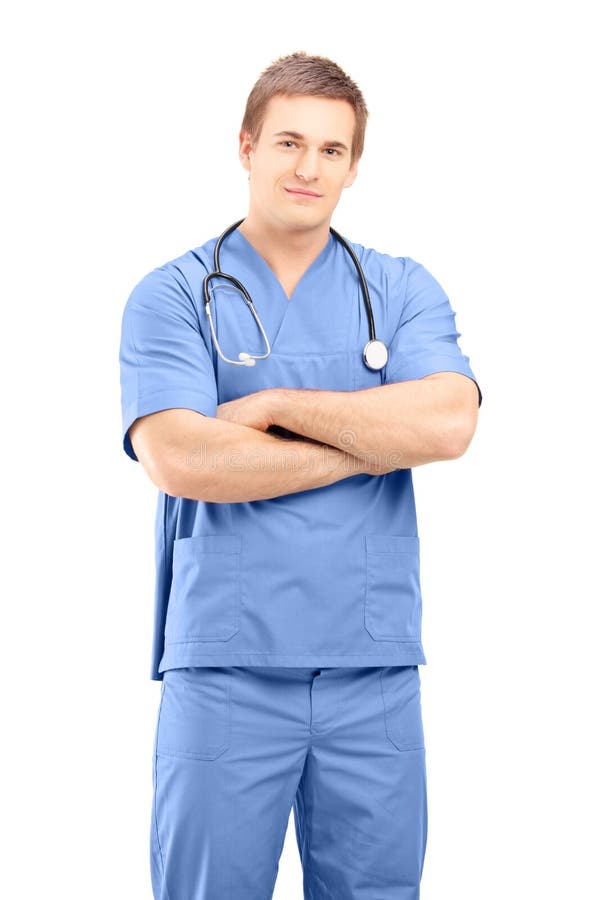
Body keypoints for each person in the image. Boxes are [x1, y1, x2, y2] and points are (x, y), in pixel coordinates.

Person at [119, 50, 482, 900]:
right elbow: (183, 458)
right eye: (288, 142)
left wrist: (273, 402)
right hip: (225, 673)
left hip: (375, 677)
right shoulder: (173, 295)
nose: (308, 167)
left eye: (331, 150)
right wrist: (375, 438)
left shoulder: (399, 289)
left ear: (354, 167)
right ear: (245, 146)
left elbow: (449, 423)